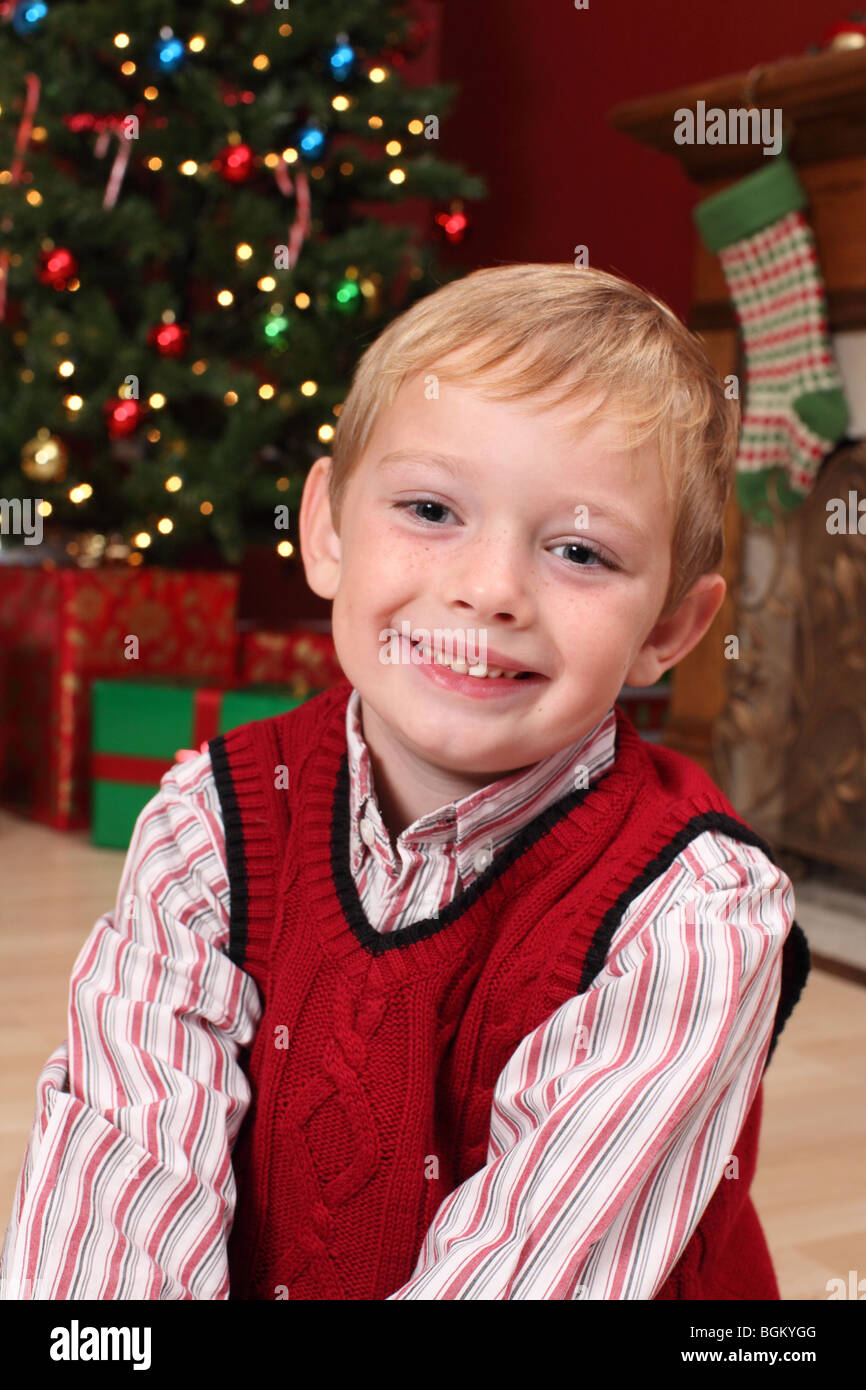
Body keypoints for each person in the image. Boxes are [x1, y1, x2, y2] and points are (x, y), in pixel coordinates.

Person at [0, 263, 809, 1300]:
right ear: (329, 528)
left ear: (668, 628)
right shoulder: (208, 825)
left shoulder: (690, 915)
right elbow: (120, 1187)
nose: (488, 588)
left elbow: (531, 1273)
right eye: (430, 508)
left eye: (577, 549)